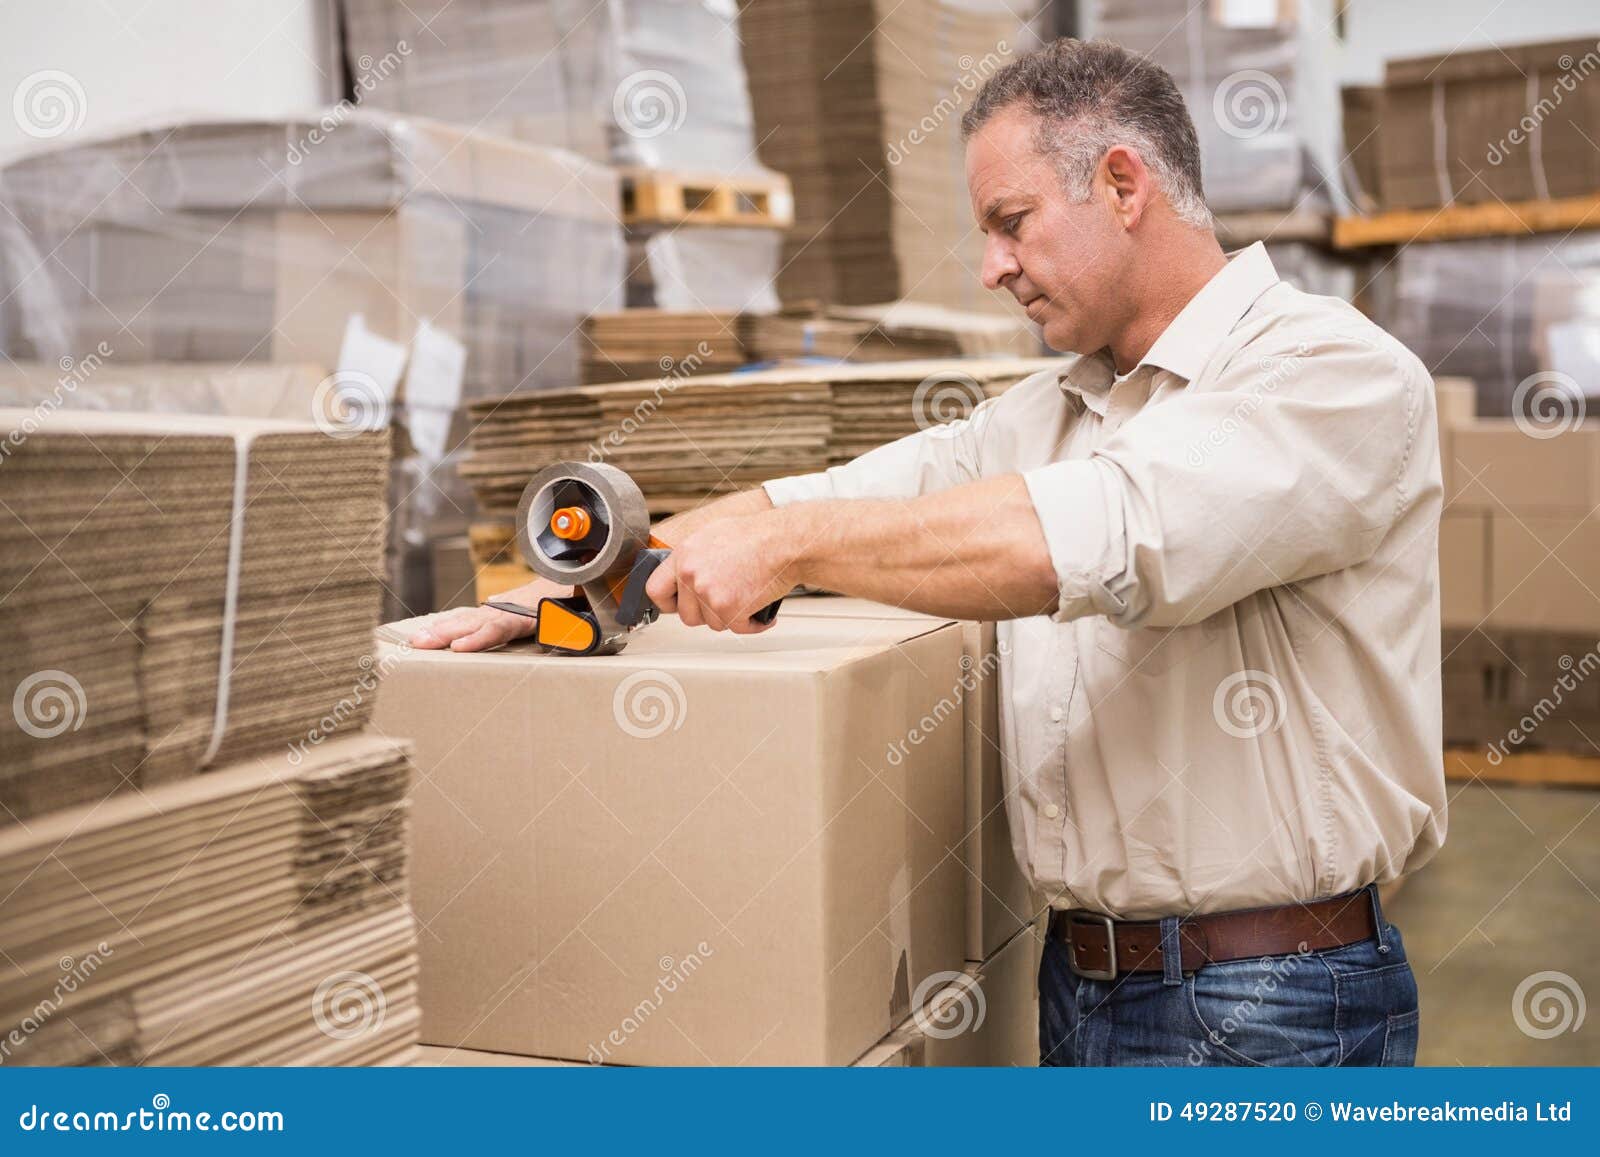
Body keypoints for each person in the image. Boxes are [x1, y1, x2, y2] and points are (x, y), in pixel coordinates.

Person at [413, 38, 1445, 1067]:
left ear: (1123, 184)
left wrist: (789, 546)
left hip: (1270, 1004)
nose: (992, 267)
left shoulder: (1332, 373)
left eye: (1011, 223)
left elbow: (1092, 536)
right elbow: (841, 493)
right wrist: (592, 581)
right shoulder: (1057, 407)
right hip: (1083, 981)